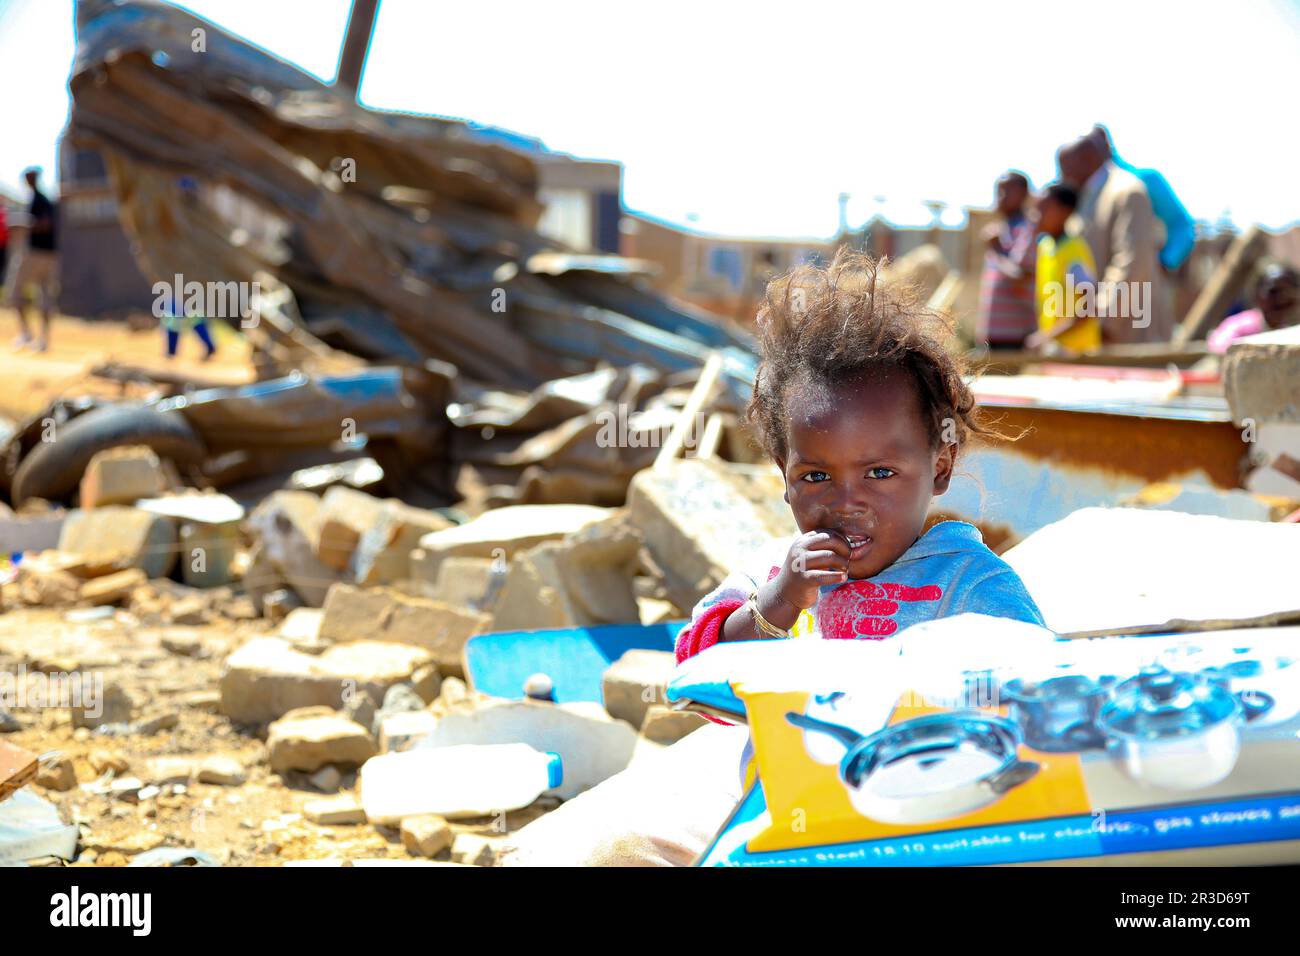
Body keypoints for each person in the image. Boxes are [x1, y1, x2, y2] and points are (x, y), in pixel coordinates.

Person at [497, 250, 1044, 867]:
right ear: (782, 477)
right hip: (776, 809)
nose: (847, 502)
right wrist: (777, 605)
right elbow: (697, 674)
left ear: (938, 469)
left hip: (925, 820)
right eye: (815, 475)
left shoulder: (969, 582)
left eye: (881, 472)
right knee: (618, 852)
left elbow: (1039, 691)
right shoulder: (777, 576)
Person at [1057, 137, 1167, 343]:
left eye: (1064, 167)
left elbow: (1131, 261)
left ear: (1087, 158)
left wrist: (1104, 318)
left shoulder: (1127, 192)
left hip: (1125, 330)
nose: (1062, 176)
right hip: (1096, 329)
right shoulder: (1087, 196)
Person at [1089, 125, 1195, 273]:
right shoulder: (1080, 191)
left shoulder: (1144, 181)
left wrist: (1165, 262)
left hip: (1140, 283)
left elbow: (1181, 225)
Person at [1026, 183, 1100, 355]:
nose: (1035, 215)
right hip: (1055, 351)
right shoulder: (1045, 247)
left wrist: (1046, 336)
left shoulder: (1074, 251)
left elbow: (1088, 308)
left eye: (1044, 208)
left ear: (1065, 211)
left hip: (1078, 354)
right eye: (1036, 208)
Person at [975, 171, 1039, 349]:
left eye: (1007, 191)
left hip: (1015, 335)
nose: (1000, 197)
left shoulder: (1028, 228)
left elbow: (1018, 276)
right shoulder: (1000, 230)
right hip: (994, 334)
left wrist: (996, 249)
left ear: (1024, 194)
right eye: (999, 191)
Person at [5, 167, 58, 352]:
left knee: (15, 292)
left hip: (36, 254)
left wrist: (24, 223)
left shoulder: (39, 200)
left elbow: (45, 224)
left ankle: (29, 334)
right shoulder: (42, 199)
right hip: (49, 255)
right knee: (43, 297)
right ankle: (42, 340)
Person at [1207, 262, 1300, 353]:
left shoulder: (1291, 332)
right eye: (1273, 292)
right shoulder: (1238, 328)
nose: (1281, 299)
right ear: (1257, 295)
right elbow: (1219, 350)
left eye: (1288, 292)